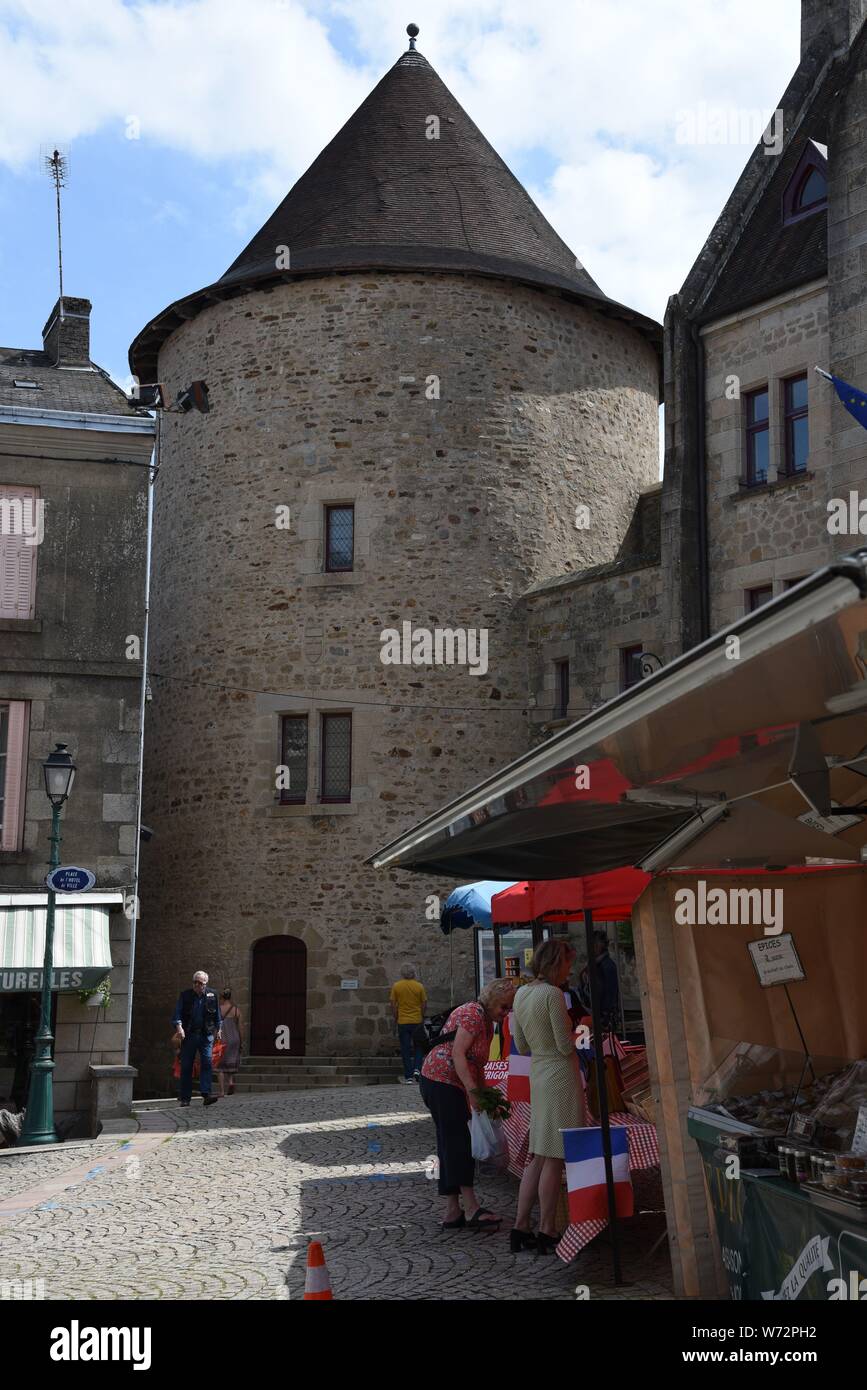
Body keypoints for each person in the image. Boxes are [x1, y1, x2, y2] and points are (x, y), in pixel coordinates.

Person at [419, 978, 518, 1231]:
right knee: (458, 1143)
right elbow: (458, 1054)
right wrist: (474, 1093)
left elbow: (478, 1065)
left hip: (443, 1081)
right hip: (443, 1080)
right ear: (492, 1002)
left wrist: (485, 1096)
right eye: (503, 1007)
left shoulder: (486, 1021)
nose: (506, 1013)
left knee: (448, 1144)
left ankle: (453, 1210)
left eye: (509, 1009)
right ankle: (472, 1208)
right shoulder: (474, 1014)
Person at [510, 940, 585, 1254]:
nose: (570, 970)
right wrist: (582, 1028)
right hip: (559, 1075)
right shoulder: (553, 995)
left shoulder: (522, 993)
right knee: (554, 1156)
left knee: (539, 1155)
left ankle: (520, 1226)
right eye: (568, 964)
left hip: (538, 1072)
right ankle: (547, 1228)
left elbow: (522, 1046)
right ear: (557, 963)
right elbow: (566, 1045)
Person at [172, 971, 223, 1107]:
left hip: (206, 1035)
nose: (197, 985)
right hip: (189, 1035)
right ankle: (185, 1098)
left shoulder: (213, 995)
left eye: (200, 983)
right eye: (195, 982)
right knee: (187, 1066)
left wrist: (219, 1030)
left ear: (205, 984)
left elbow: (218, 1015)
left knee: (207, 1062)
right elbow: (177, 1014)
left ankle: (206, 1094)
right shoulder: (185, 995)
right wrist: (179, 1028)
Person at [390, 963, 427, 1084]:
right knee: (419, 1046)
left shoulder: (396, 986)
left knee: (405, 1049)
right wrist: (421, 1016)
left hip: (403, 1021)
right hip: (416, 1021)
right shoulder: (419, 986)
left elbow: (393, 1005)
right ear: (413, 973)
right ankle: (417, 1068)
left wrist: (396, 1018)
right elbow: (424, 1004)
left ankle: (408, 1076)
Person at [579, 930, 620, 1029]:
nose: (589, 947)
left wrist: (602, 1017)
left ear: (599, 945)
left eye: (592, 944)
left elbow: (609, 995)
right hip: (595, 1016)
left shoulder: (607, 965)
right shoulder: (594, 964)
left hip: (602, 1020)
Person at [216, 988, 243, 1097]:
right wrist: (241, 1041)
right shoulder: (236, 1010)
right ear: (230, 997)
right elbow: (241, 1027)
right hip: (234, 1038)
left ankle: (222, 1091)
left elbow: (214, 1025)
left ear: (222, 997)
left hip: (222, 1038)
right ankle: (231, 1082)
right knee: (231, 1061)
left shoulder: (218, 1010)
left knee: (220, 1066)